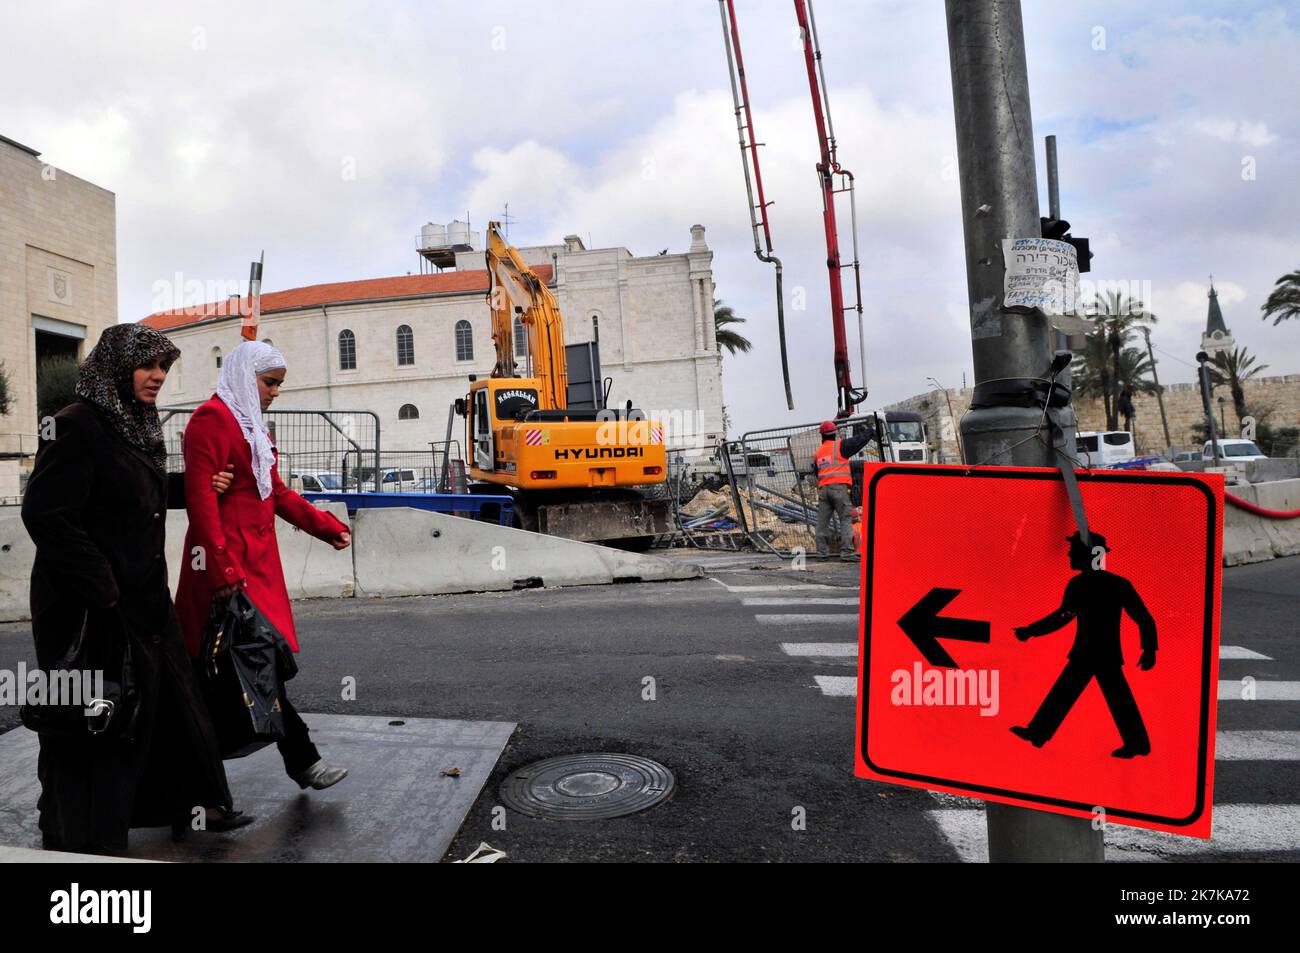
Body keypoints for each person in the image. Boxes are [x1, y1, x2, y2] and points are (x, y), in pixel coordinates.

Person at [21, 324, 251, 854]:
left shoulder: (136, 420)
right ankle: (77, 827)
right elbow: (45, 513)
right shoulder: (72, 424)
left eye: (164, 369)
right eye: (148, 366)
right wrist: (102, 587)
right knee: (93, 714)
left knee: (170, 699)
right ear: (117, 366)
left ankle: (196, 805)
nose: (158, 378)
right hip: (89, 604)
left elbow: (125, 492)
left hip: (144, 596)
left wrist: (190, 489)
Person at [174, 340, 352, 790]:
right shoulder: (210, 419)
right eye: (269, 382)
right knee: (249, 666)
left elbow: (277, 493)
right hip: (226, 569)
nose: (274, 392)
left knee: (242, 670)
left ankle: (192, 783)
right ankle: (300, 761)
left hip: (254, 568)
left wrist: (326, 527)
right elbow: (200, 501)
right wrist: (222, 572)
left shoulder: (253, 426)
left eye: (278, 385)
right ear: (244, 376)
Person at [1010, 531, 1157, 758]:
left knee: (1101, 696)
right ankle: (1038, 733)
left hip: (1096, 653)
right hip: (1095, 652)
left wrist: (1031, 631)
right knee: (1083, 694)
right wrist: (1148, 649)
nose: (1069, 555)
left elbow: (1063, 616)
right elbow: (1065, 615)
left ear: (1088, 555)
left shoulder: (1091, 584)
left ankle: (1038, 733)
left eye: (1074, 551)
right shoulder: (1105, 583)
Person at [813, 419, 874, 561]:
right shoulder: (840, 446)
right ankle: (846, 552)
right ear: (834, 434)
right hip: (839, 489)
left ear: (822, 436)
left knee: (822, 523)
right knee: (846, 520)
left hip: (823, 490)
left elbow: (817, 472)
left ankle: (821, 554)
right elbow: (858, 441)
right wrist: (870, 431)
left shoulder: (819, 452)